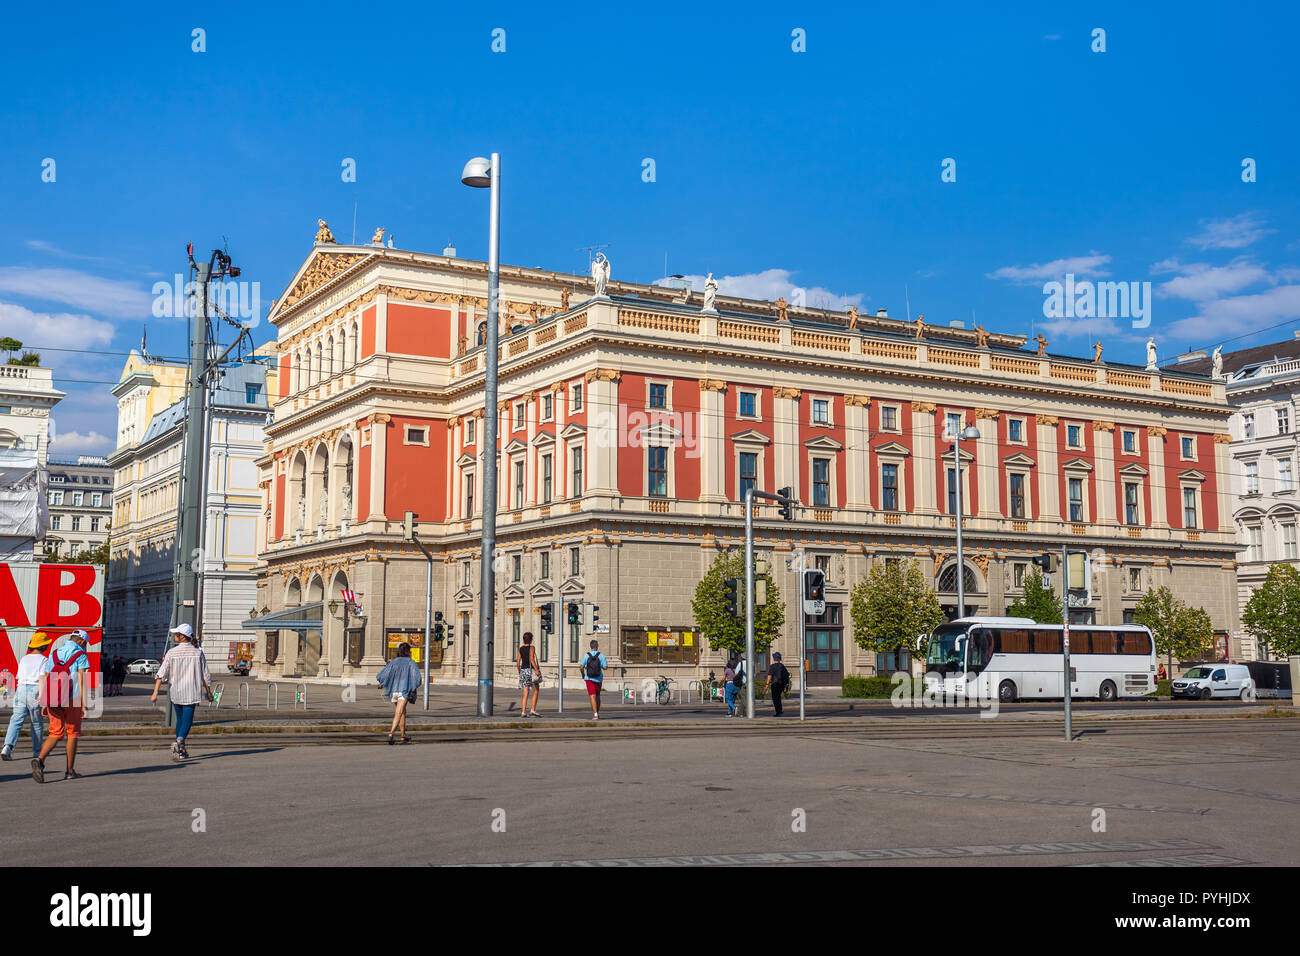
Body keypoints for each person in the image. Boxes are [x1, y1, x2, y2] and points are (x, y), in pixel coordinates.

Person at [32, 628, 91, 783]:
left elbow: (46, 675)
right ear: (83, 642)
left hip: (52, 695)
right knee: (72, 733)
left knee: (55, 733)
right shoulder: (81, 654)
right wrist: (84, 705)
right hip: (73, 698)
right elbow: (81, 679)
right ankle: (69, 771)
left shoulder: (54, 653)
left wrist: (45, 700)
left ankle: (40, 759)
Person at [150, 623, 213, 762]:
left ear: (182, 636)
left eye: (176, 634)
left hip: (176, 692)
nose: (174, 636)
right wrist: (209, 692)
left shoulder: (171, 653)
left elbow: (161, 673)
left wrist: (155, 692)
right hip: (192, 691)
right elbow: (205, 675)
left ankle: (181, 750)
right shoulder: (198, 652)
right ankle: (179, 741)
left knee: (180, 720)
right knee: (187, 721)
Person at [2, 632, 51, 762]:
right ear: (44, 646)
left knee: (16, 721)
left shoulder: (24, 658)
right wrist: (42, 696)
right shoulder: (44, 660)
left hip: (21, 689)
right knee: (36, 723)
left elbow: (19, 677)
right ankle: (37, 752)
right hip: (34, 689)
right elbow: (42, 678)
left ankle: (7, 747)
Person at [376, 642, 421, 744]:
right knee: (399, 713)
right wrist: (412, 687)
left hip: (393, 690)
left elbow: (383, 674)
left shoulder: (393, 662)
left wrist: (382, 683)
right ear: (408, 651)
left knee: (402, 712)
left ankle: (403, 735)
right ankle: (391, 734)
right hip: (403, 691)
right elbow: (417, 678)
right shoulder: (410, 662)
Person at [580, 639, 608, 719]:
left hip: (589, 678)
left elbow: (581, 667)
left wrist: (583, 674)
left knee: (592, 696)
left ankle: (595, 714)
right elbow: (605, 667)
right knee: (598, 696)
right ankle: (597, 713)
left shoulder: (586, 655)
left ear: (590, 647)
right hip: (599, 678)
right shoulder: (601, 655)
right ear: (597, 646)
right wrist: (601, 666)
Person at [517, 632, 542, 717]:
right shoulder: (532, 648)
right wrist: (537, 670)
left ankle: (523, 712)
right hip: (530, 671)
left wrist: (519, 671)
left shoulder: (520, 648)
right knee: (536, 690)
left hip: (523, 671)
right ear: (531, 640)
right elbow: (531, 659)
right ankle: (532, 710)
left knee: (525, 693)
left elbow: (517, 662)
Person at [767, 652, 791, 716]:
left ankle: (778, 711)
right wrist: (786, 684)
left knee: (775, 698)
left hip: (774, 684)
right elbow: (787, 675)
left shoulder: (772, 666)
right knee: (778, 697)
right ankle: (779, 710)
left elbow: (770, 675)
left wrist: (767, 684)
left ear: (774, 659)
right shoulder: (782, 666)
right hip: (781, 685)